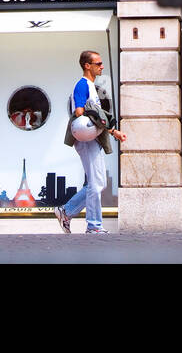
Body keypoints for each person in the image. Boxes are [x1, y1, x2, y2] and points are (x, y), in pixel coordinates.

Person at [53, 50, 125, 234]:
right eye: (98, 64)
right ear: (87, 65)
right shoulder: (82, 85)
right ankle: (93, 225)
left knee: (98, 182)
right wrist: (95, 115)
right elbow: (79, 111)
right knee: (96, 183)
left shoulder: (91, 86)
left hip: (91, 137)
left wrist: (113, 131)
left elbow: (93, 115)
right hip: (86, 139)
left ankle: (66, 211)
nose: (102, 67)